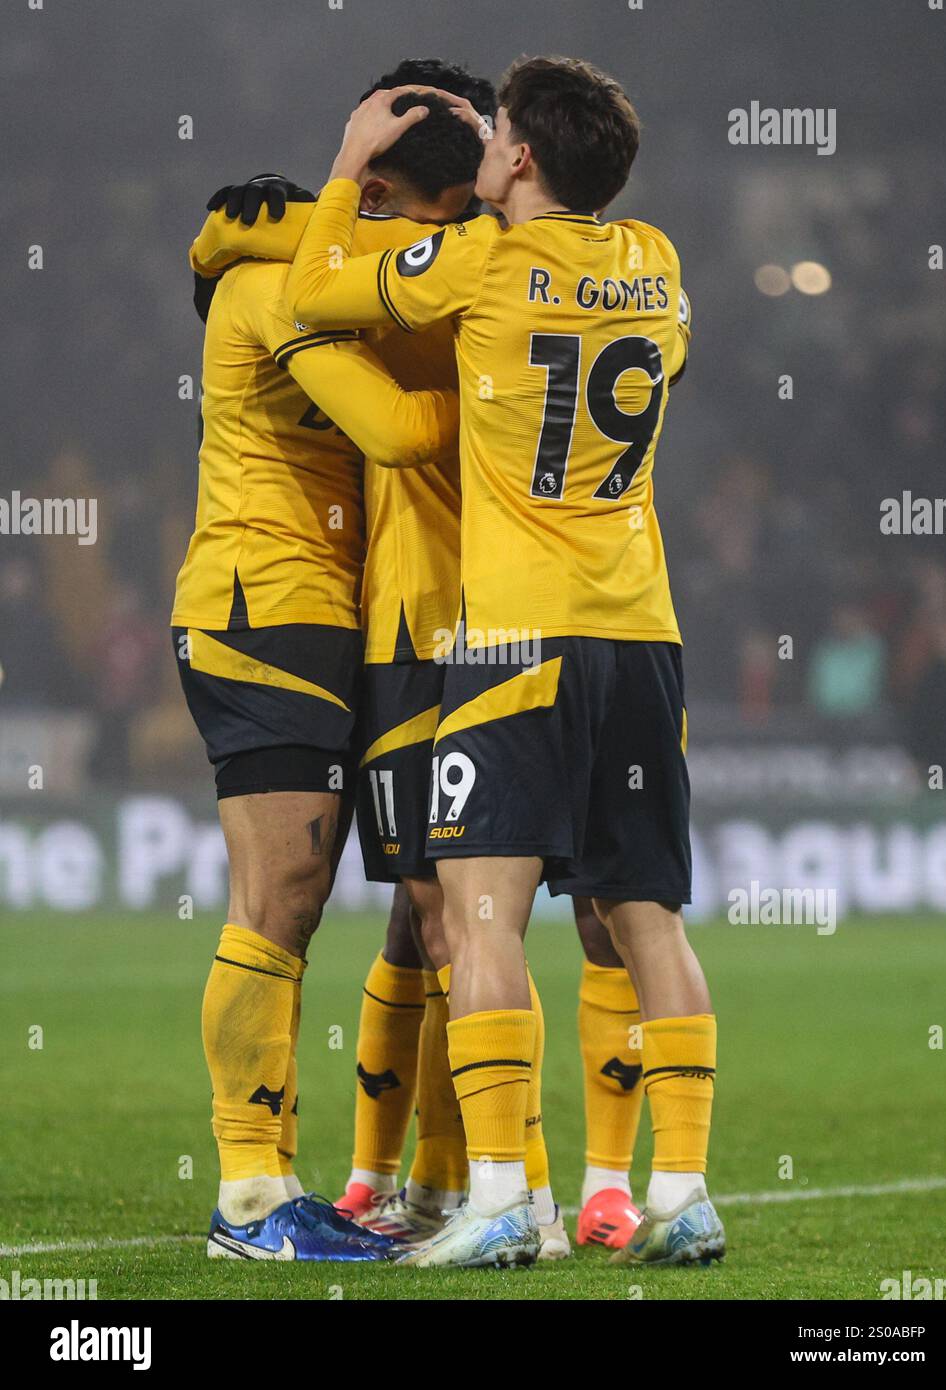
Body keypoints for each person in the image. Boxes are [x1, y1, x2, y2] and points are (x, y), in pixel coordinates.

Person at [282, 56, 722, 1271]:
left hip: (518, 635)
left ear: (517, 157)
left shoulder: (480, 264)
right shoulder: (658, 260)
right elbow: (666, 363)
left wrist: (342, 164)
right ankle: (679, 1193)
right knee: (646, 918)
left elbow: (320, 290)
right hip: (643, 630)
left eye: (500, 135)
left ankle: (497, 1203)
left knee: (480, 916)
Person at [175, 84, 479, 1262]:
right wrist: (523, 403)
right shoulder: (272, 284)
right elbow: (400, 426)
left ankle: (389, 1183)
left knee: (356, 902)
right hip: (263, 601)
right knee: (283, 893)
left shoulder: (316, 256)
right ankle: (251, 1194)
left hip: (330, 612)